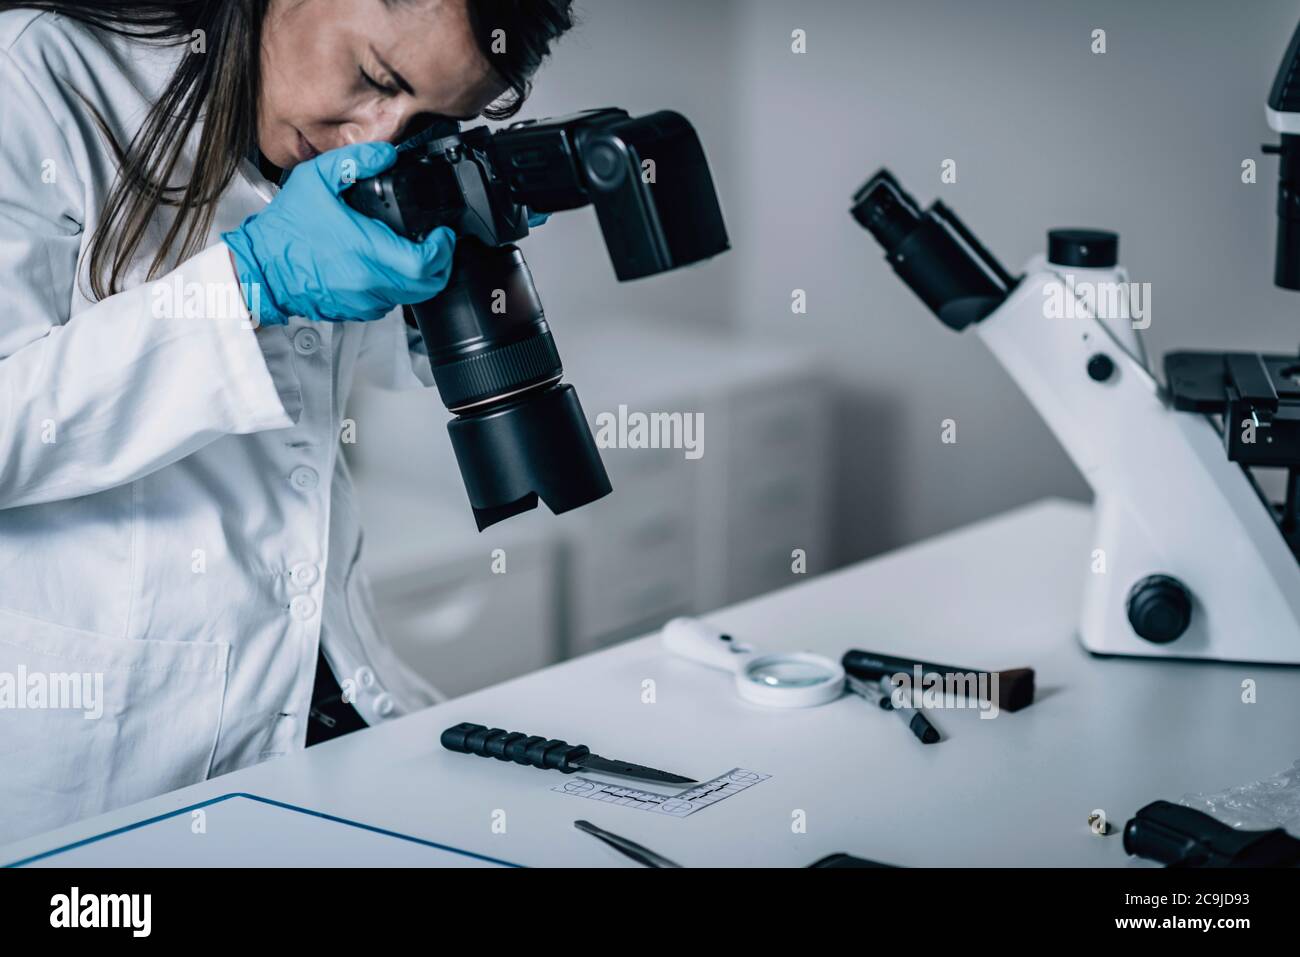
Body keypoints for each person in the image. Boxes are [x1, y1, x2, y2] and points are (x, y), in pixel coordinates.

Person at [0, 0, 574, 847]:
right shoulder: (36, 76)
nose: (371, 136)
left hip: (320, 696)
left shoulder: (323, 134)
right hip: (106, 762)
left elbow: (346, 371)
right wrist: (246, 282)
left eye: (424, 119)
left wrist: (453, 263)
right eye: (378, 78)